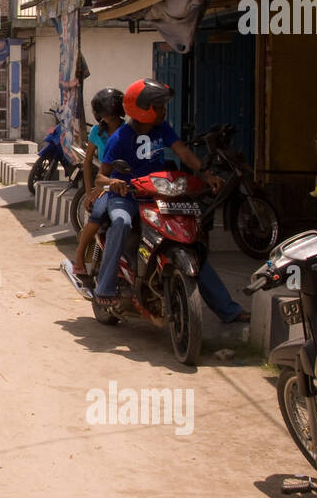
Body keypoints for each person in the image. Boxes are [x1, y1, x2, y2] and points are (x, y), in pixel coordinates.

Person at [92, 78, 248, 324]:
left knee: (191, 243)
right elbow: (101, 175)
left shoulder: (162, 130)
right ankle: (105, 286)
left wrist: (206, 175)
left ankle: (228, 310)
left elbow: (183, 152)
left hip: (157, 195)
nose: (164, 111)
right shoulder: (120, 138)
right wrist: (114, 183)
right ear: (143, 109)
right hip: (127, 197)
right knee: (120, 222)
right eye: (159, 107)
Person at [71, 87, 126, 287]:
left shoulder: (128, 130)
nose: (110, 117)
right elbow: (87, 163)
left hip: (126, 182)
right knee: (97, 216)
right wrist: (88, 193)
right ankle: (79, 256)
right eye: (106, 114)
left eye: (113, 113)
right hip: (105, 182)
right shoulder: (97, 131)